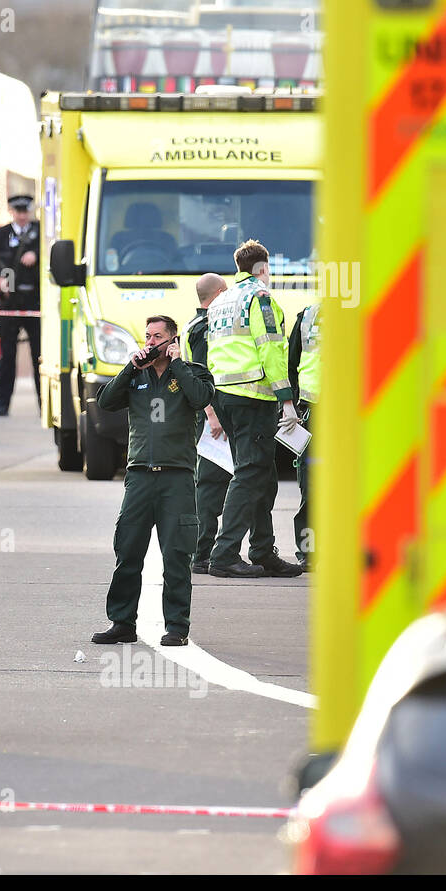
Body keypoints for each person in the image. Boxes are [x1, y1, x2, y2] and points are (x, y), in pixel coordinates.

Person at [92, 316, 214, 646]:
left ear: (172, 340)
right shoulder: (136, 376)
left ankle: (176, 626)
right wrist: (129, 368)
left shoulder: (192, 373)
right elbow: (106, 402)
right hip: (140, 476)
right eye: (147, 336)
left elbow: (201, 398)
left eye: (157, 336)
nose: (150, 342)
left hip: (176, 477)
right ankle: (122, 622)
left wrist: (178, 364)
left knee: (176, 556)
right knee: (128, 551)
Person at [205, 240, 303, 578]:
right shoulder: (259, 297)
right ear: (263, 269)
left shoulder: (221, 301)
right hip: (253, 396)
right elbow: (271, 349)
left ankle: (263, 549)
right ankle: (224, 554)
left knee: (261, 474)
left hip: (225, 394)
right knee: (250, 473)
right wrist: (286, 399)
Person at [181, 273, 232, 573]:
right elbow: (201, 376)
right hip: (210, 418)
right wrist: (212, 416)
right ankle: (200, 553)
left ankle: (202, 551)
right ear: (220, 292)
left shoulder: (193, 324)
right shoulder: (205, 329)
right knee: (210, 486)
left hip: (204, 415)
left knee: (211, 484)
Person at [0, 194, 41, 416]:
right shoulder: (1, 235)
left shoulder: (41, 233)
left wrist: (37, 254)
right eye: (18, 211)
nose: (22, 216)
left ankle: (45, 404)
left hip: (35, 302)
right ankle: (1, 404)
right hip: (9, 302)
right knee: (6, 356)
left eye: (25, 211)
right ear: (12, 212)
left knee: (39, 355)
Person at [287, 301, 320, 571]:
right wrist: (294, 404)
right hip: (315, 411)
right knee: (311, 485)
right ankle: (308, 551)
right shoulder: (308, 315)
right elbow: (292, 364)